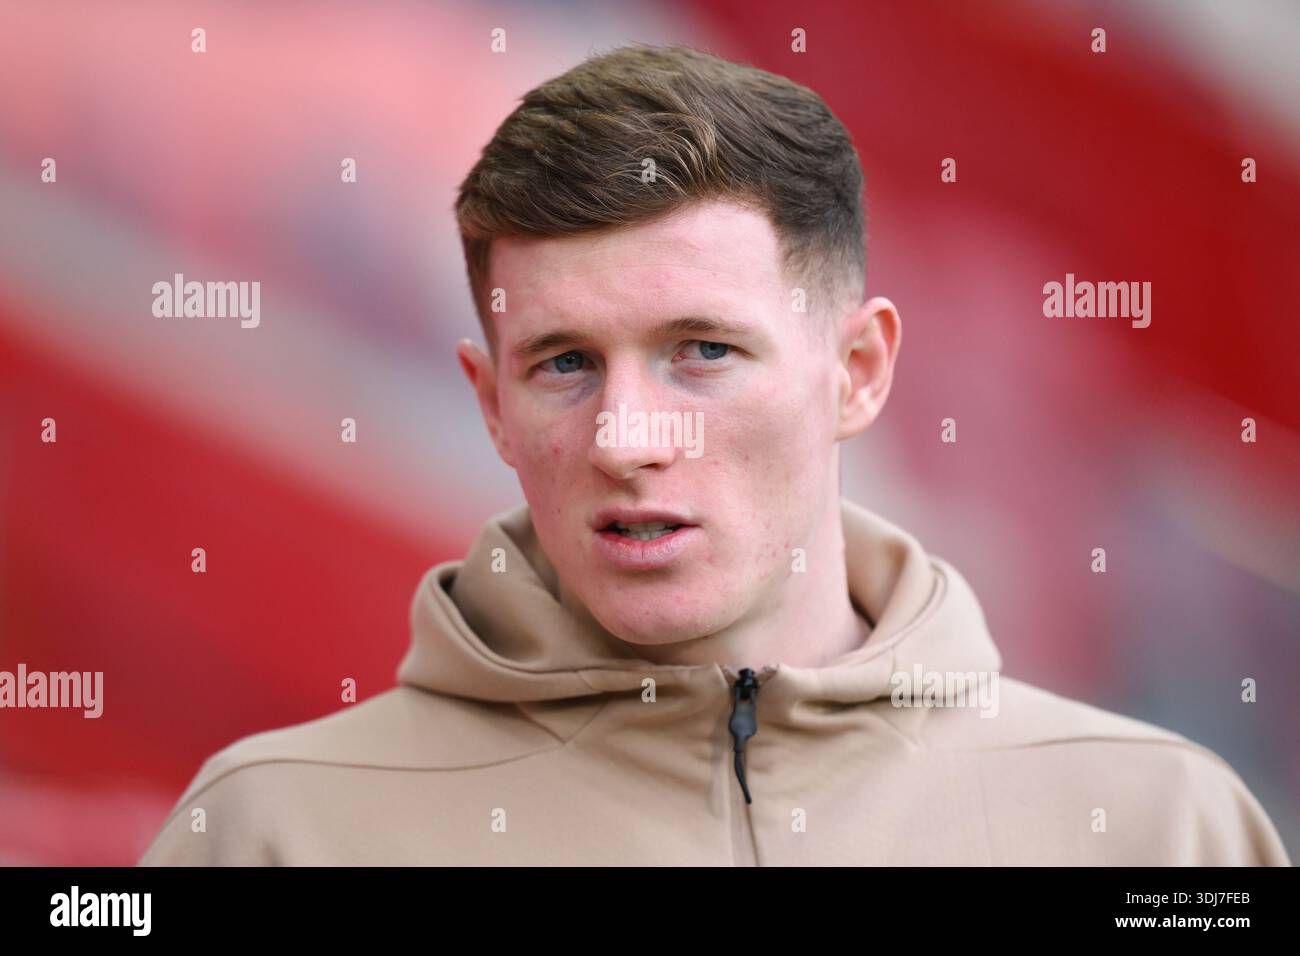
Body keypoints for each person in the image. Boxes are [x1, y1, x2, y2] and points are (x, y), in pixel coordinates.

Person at [139, 43, 1289, 866]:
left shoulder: (1162, 829)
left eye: (701, 351)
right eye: (563, 364)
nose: (629, 440)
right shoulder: (270, 828)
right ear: (489, 403)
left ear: (857, 371)